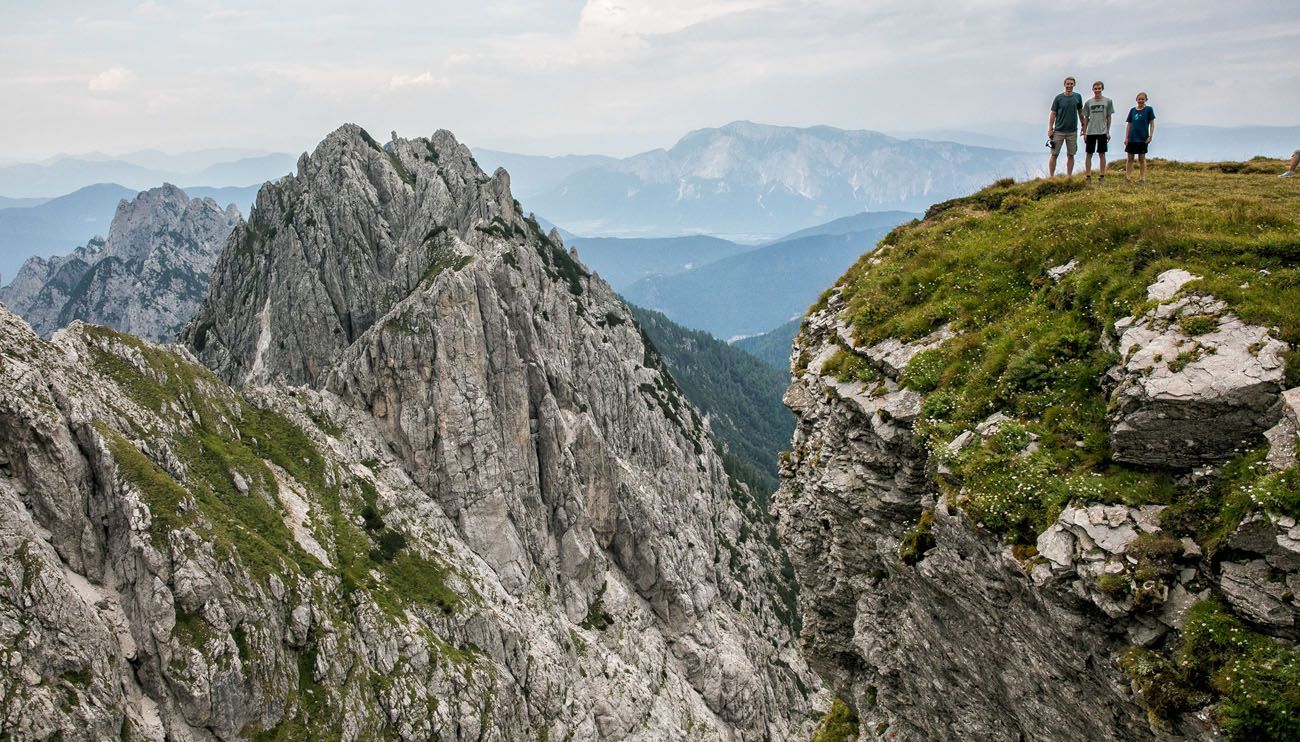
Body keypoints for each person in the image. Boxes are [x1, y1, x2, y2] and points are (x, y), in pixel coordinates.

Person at [1048, 77, 1084, 177]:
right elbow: (1053, 113)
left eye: (1071, 84)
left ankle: (1069, 176)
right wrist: (1050, 128)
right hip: (1058, 131)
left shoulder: (1078, 97)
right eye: (1067, 84)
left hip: (1072, 131)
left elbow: (1080, 112)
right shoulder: (1058, 98)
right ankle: (1051, 177)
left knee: (1071, 155)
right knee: (1054, 154)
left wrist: (1083, 125)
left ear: (1074, 84)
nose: (1069, 86)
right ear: (1064, 84)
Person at [1081, 81, 1114, 183]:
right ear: (1093, 89)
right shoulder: (1088, 102)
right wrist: (1084, 132)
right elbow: (1086, 118)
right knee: (1089, 154)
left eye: (1099, 88)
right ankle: (1088, 176)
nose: (1097, 90)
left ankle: (1102, 175)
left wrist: (1108, 131)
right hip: (1091, 131)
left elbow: (1109, 117)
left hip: (1102, 132)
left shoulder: (1108, 101)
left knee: (1102, 154)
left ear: (1102, 89)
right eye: (1095, 88)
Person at [1124, 92, 1156, 185]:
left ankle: (1142, 179)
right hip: (1132, 138)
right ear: (1136, 100)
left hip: (1143, 138)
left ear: (1146, 100)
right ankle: (1127, 178)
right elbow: (1129, 124)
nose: (1141, 101)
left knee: (1141, 158)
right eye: (1139, 99)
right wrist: (1126, 137)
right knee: (1130, 158)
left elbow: (1152, 124)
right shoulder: (1132, 110)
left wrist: (1150, 136)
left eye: (1142, 99)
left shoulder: (1149, 109)